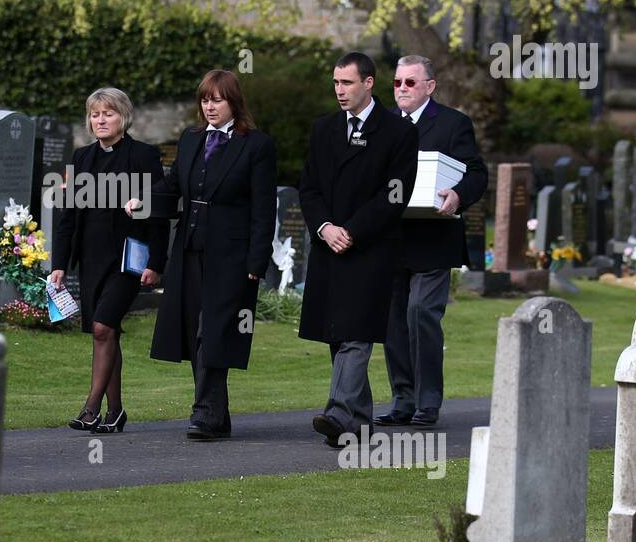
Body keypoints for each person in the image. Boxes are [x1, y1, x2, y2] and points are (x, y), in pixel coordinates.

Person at [141, 70, 277, 440]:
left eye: (217, 99)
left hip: (232, 256)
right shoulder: (191, 140)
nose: (210, 106)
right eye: (205, 99)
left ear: (233, 102)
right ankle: (217, 415)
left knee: (213, 334)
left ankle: (203, 413)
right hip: (190, 250)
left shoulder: (256, 145)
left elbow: (264, 209)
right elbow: (172, 187)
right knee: (193, 333)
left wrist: (256, 262)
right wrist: (142, 201)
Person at [298, 52, 418, 447]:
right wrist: (325, 228)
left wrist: (352, 230)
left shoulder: (398, 133)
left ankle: (337, 412)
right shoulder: (323, 129)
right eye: (335, 83)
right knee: (338, 333)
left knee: (356, 334)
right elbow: (309, 188)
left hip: (371, 248)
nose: (339, 90)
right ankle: (360, 420)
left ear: (368, 83)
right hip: (329, 245)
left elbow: (395, 194)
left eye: (346, 83)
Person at [49, 88, 169, 433]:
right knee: (107, 332)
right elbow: (68, 214)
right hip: (90, 258)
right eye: (95, 114)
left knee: (103, 327)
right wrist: (60, 263)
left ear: (123, 117)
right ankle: (115, 411)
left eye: (108, 114)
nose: (100, 120)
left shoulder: (143, 156)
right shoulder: (81, 157)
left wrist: (156, 263)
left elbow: (158, 216)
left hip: (129, 260)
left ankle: (90, 408)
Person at [377, 55, 487, 427]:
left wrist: (457, 194)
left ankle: (427, 402)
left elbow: (476, 174)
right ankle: (403, 399)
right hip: (391, 238)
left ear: (430, 86)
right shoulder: (381, 123)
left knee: (420, 313)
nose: (402, 89)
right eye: (397, 83)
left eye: (410, 82)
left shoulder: (454, 124)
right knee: (392, 321)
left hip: (434, 238)